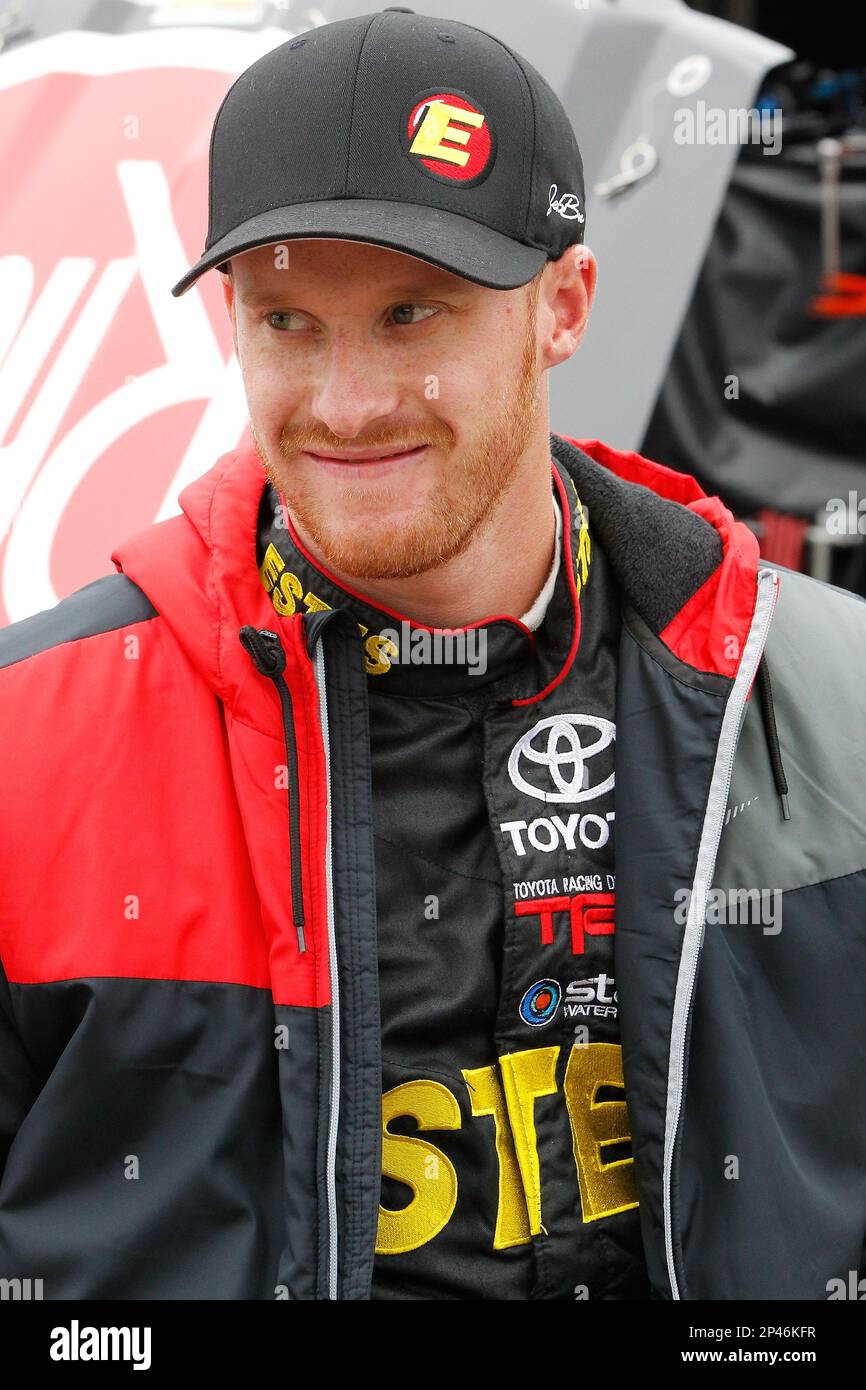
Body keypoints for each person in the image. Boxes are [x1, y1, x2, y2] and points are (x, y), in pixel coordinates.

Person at [0, 7, 864, 1303]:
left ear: (563, 304)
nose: (347, 403)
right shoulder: (33, 733)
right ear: (228, 314)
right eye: (288, 323)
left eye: (412, 314)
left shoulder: (824, 694)